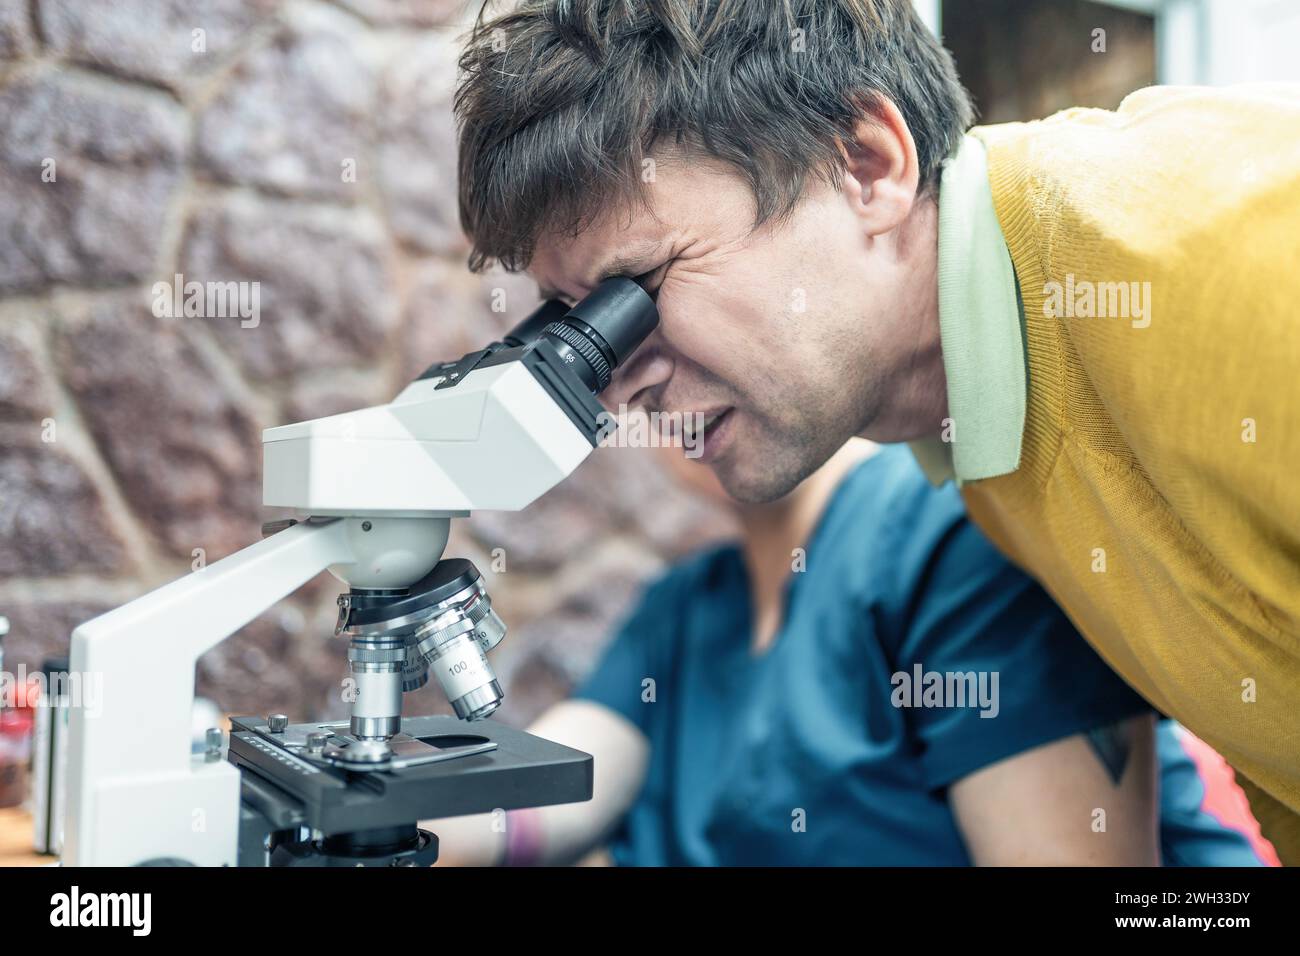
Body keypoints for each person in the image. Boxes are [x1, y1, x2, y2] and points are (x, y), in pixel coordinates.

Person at [452, 0, 1300, 859]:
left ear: (864, 163)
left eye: (633, 288)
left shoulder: (1211, 248)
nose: (618, 382)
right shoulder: (998, 469)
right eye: (578, 323)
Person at [429, 440, 1272, 866]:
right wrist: (390, 825)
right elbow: (562, 785)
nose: (651, 377)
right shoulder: (686, 606)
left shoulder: (955, 534)